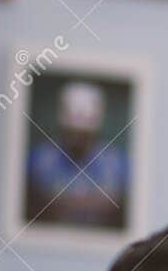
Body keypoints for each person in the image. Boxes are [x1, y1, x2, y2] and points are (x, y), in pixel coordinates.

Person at [25, 81, 128, 228]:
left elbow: (115, 206)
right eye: (71, 132)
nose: (77, 140)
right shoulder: (39, 158)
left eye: (84, 134)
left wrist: (61, 202)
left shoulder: (117, 161)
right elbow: (38, 205)